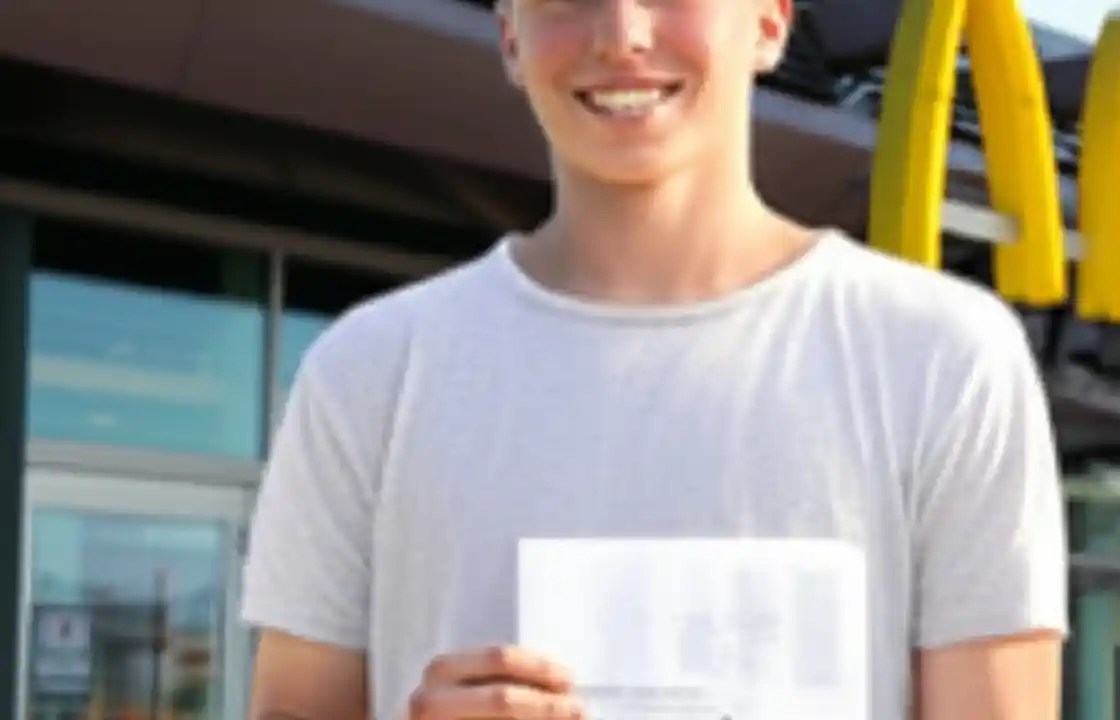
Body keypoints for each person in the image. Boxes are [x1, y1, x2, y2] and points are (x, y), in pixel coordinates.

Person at [240, 0, 1069, 718]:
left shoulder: (943, 358)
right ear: (511, 37)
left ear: (770, 20)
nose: (622, 34)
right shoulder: (370, 370)